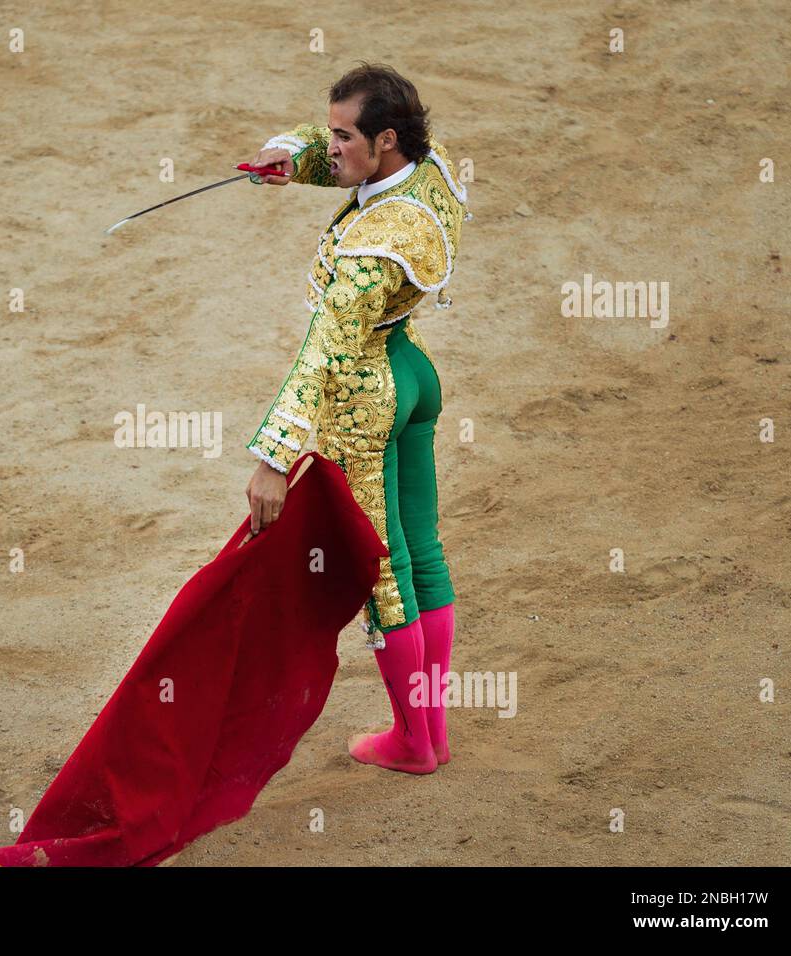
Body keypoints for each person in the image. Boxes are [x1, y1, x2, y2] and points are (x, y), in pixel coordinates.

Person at [243, 62, 469, 775]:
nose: (331, 145)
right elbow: (357, 166)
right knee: (423, 555)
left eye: (342, 136)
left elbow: (324, 354)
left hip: (366, 393)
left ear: (387, 138)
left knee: (384, 574)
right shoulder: (428, 172)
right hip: (413, 374)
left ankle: (413, 742)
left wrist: (274, 457)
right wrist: (294, 161)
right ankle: (429, 733)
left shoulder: (371, 255)